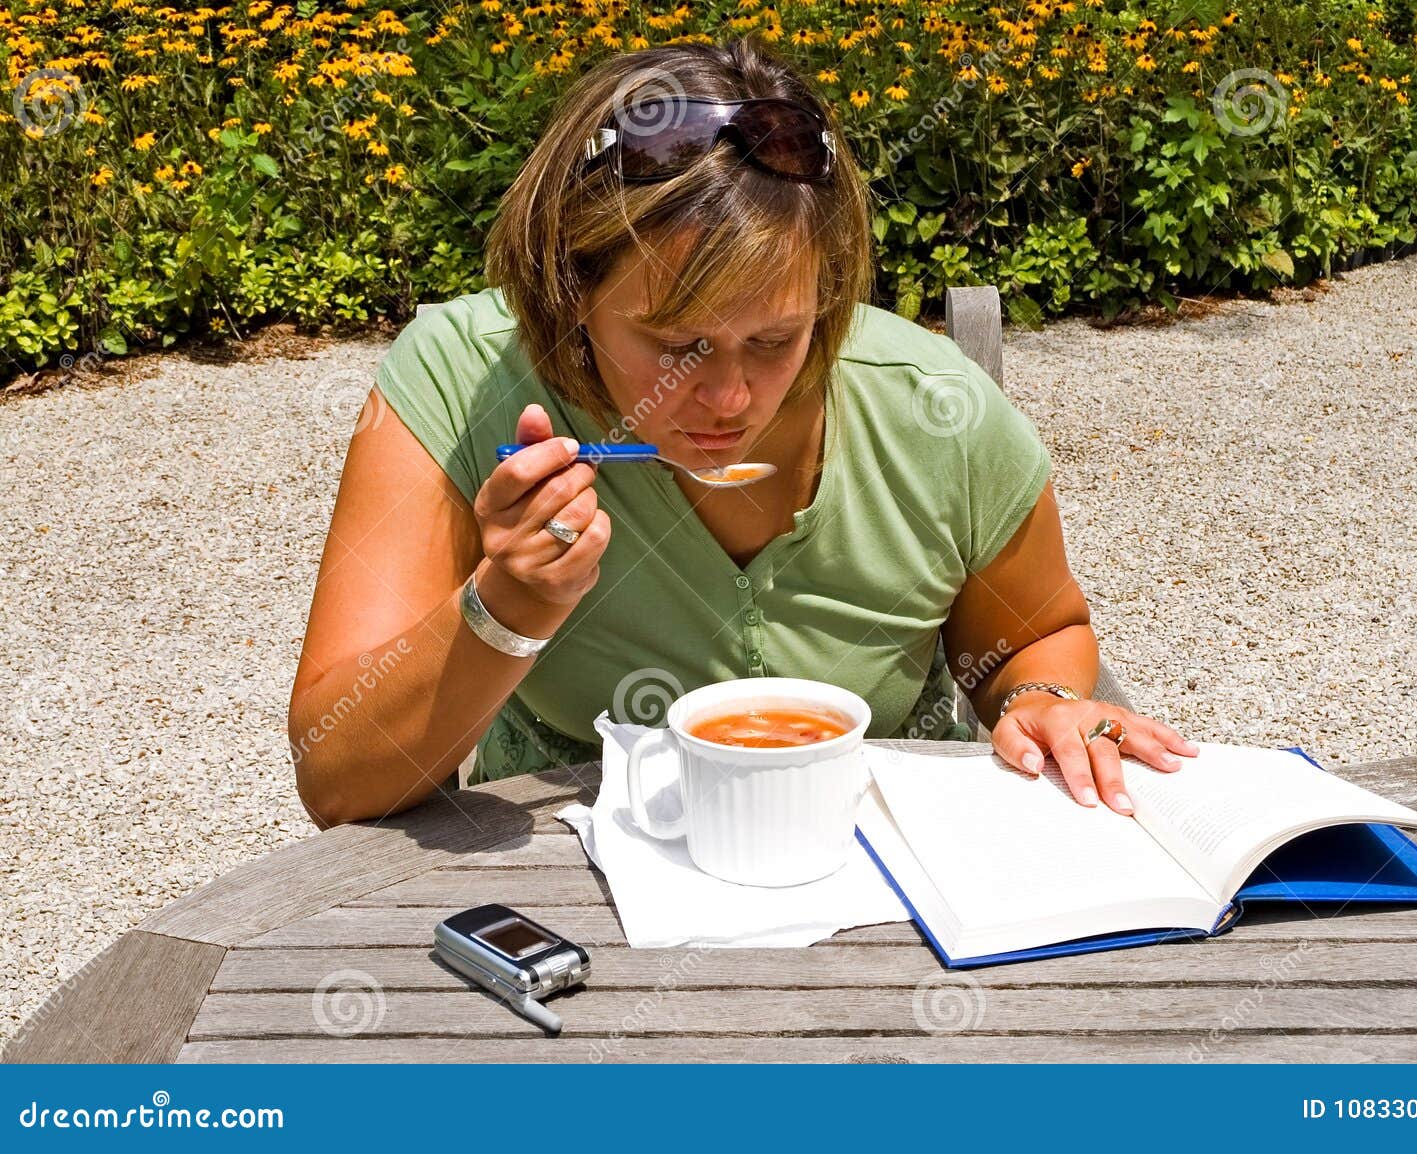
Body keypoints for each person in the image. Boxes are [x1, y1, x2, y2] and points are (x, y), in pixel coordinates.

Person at [288, 33, 1197, 829]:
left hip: (883, 879)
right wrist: (508, 607)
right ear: (566, 292)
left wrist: (1042, 699)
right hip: (578, 892)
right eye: (676, 342)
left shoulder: (934, 414)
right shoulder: (459, 379)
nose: (727, 396)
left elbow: (1038, 636)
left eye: (774, 338)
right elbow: (336, 779)